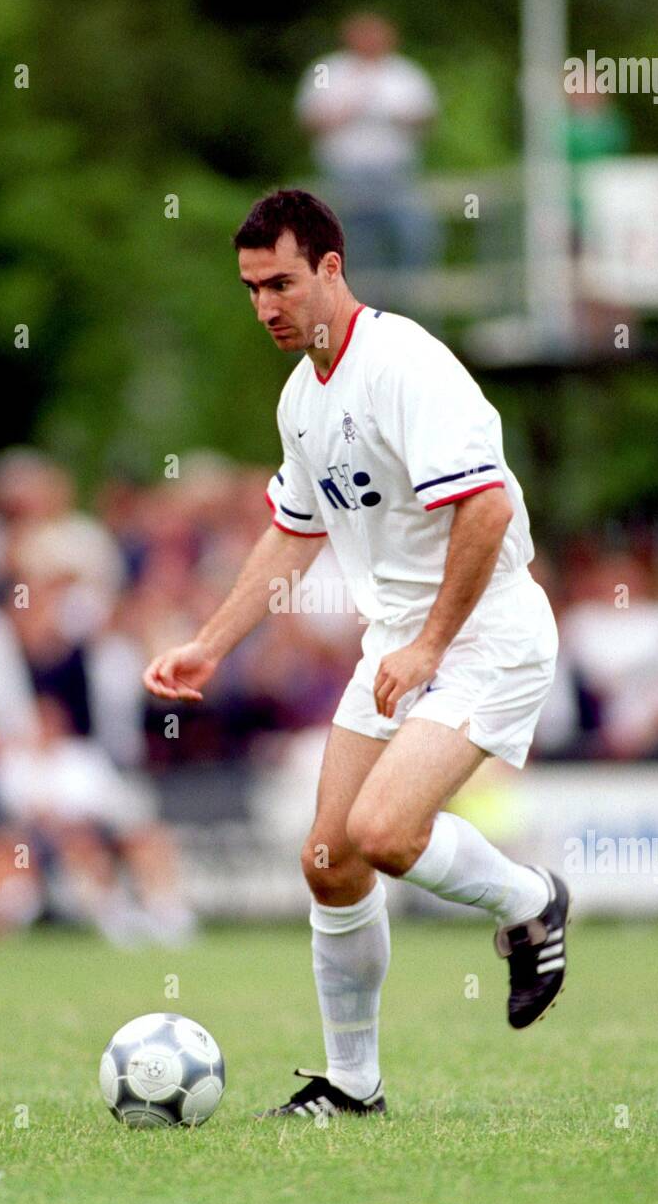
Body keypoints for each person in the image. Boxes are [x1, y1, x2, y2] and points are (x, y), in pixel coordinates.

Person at [144, 189, 564, 1119]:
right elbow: (292, 532)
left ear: (331, 268)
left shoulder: (404, 363)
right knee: (330, 858)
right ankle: (353, 1086)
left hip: (483, 636)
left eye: (281, 283)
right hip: (400, 646)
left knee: (383, 835)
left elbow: (487, 508)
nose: (265, 307)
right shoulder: (302, 399)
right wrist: (209, 645)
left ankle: (530, 898)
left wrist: (428, 644)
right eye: (251, 289)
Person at [295, 13, 439, 284]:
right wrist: (347, 112)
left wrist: (394, 116)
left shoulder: (404, 73)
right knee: (355, 242)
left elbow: (426, 119)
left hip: (396, 174)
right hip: (345, 175)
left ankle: (409, 298)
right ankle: (361, 298)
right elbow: (309, 120)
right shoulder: (329, 70)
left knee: (413, 234)